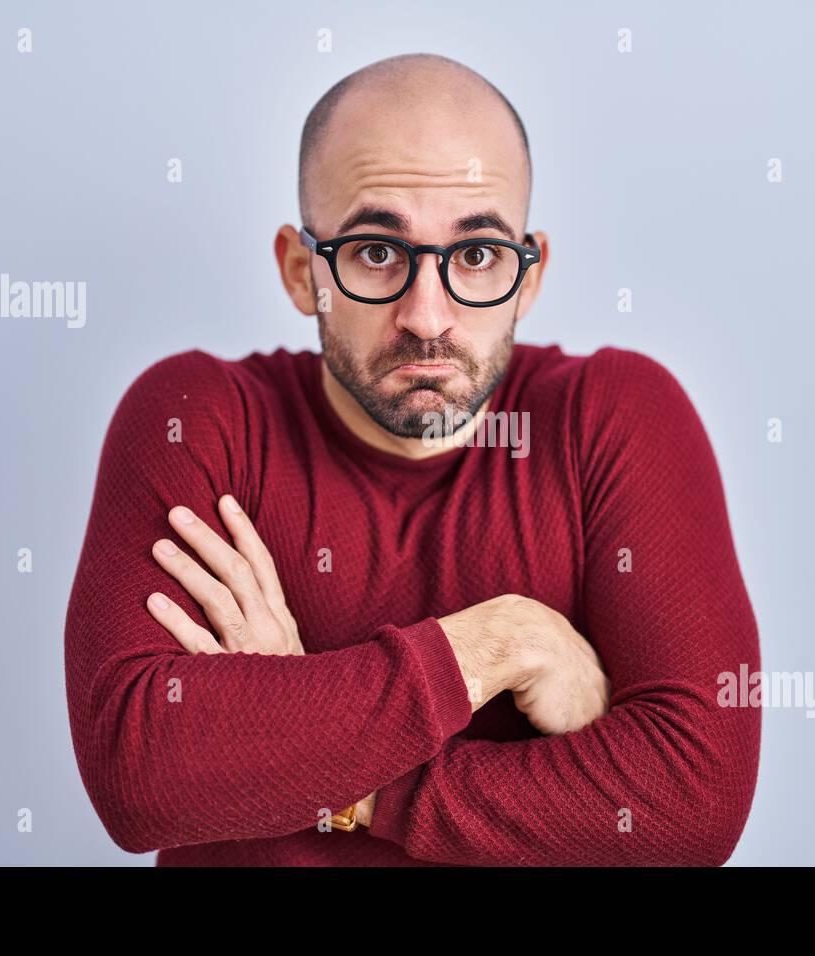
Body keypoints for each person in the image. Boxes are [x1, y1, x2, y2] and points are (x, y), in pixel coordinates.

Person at [64, 52, 761, 866]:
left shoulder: (614, 416)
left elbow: (692, 802)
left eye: (475, 257)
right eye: (375, 252)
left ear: (527, 277)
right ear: (301, 272)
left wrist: (340, 776)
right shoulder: (196, 416)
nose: (427, 318)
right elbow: (138, 775)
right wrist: (498, 642)